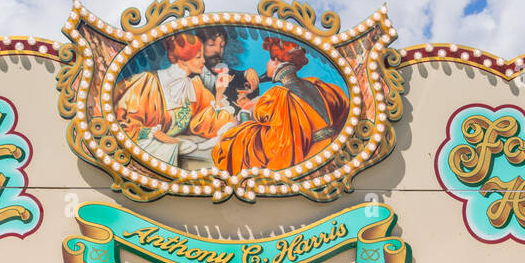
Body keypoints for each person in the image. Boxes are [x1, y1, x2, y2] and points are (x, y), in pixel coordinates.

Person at [212, 37, 350, 174]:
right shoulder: (318, 85)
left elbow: (274, 140)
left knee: (234, 139)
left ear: (277, 62)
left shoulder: (278, 95)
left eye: (270, 59)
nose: (267, 63)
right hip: (332, 150)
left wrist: (245, 115)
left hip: (310, 157)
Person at [114, 33, 240, 166]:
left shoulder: (195, 87)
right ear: (183, 60)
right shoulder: (146, 83)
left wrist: (220, 93)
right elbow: (125, 124)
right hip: (147, 151)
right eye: (198, 57)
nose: (203, 61)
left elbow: (205, 124)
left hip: (183, 147)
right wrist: (158, 135)